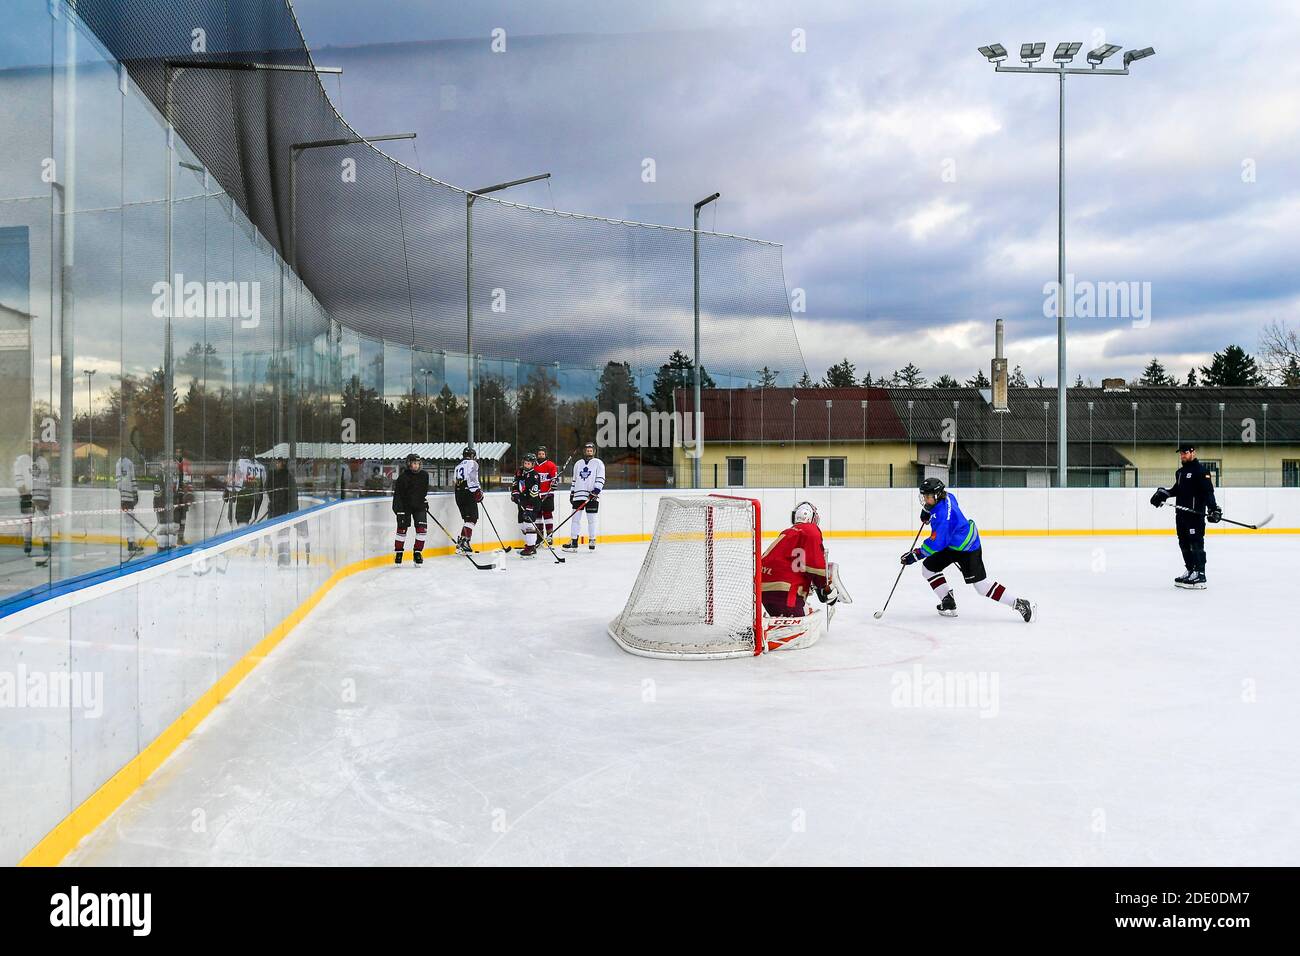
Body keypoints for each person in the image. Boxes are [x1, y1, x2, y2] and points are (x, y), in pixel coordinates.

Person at [902, 477, 1036, 622]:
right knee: (928, 568)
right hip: (952, 543)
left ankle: (1020, 603)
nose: (925, 499)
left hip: (967, 547)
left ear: (937, 495)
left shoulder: (942, 518)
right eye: (924, 496)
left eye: (928, 496)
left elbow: (936, 544)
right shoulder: (947, 496)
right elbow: (947, 512)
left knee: (981, 587)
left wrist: (915, 555)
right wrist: (928, 511)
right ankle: (948, 601)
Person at [1150, 443, 1221, 589]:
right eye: (1181, 453)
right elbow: (1177, 489)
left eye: (1185, 453)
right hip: (1181, 515)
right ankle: (1190, 570)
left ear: (1193, 453)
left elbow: (1208, 492)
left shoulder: (1201, 471)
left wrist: (1213, 509)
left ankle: (1200, 574)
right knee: (1183, 543)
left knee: (1196, 543)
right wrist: (1164, 494)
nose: (1183, 455)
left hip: (1194, 515)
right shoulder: (1180, 472)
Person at [760, 501, 839, 617]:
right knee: (790, 625)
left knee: (779, 617)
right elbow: (815, 564)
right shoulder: (812, 530)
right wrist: (824, 588)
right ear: (811, 517)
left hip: (763, 589)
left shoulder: (787, 533)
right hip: (787, 591)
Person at [13, 446, 52, 567]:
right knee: (27, 521)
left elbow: (46, 479)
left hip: (40, 495)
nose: (36, 447)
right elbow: (18, 479)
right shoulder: (21, 460)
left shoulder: (42, 461)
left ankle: (45, 545)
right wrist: (24, 492)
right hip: (28, 494)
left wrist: (47, 495)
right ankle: (28, 545)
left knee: (43, 520)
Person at [563, 441, 605, 551]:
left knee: (592, 519)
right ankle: (574, 541)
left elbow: (601, 478)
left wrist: (596, 490)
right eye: (587, 450)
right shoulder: (578, 463)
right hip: (578, 495)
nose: (589, 452)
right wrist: (572, 492)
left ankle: (592, 540)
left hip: (592, 496)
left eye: (591, 450)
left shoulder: (598, 463)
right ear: (584, 451)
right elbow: (574, 479)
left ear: (594, 451)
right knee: (575, 519)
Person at [392, 452, 429, 565]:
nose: (416, 465)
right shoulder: (402, 478)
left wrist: (423, 500)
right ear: (409, 464)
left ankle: (417, 553)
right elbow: (397, 496)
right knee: (402, 530)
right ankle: (399, 553)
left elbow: (423, 492)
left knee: (422, 530)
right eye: (414, 463)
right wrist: (398, 510)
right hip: (405, 507)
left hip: (419, 506)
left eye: (418, 463)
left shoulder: (424, 475)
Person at [266, 457, 299, 567]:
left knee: (283, 535)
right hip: (275, 510)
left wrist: (293, 512)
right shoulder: (273, 476)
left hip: (284, 512)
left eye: (279, 462)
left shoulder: (288, 477)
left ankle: (283, 558)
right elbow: (268, 490)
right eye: (276, 462)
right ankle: (280, 556)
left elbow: (293, 496)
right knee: (275, 535)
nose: (277, 464)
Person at [512, 453, 543, 558]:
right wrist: (515, 494)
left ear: (533, 464)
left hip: (533, 503)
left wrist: (530, 506)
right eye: (525, 463)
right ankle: (530, 545)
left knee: (529, 524)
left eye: (528, 463)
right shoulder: (519, 472)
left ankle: (531, 547)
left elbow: (534, 493)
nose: (526, 465)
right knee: (522, 524)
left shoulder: (535, 475)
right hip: (522, 502)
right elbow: (515, 484)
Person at [453, 446, 483, 554]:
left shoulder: (457, 466)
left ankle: (462, 543)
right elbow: (473, 478)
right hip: (468, 492)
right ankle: (464, 542)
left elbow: (455, 481)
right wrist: (477, 492)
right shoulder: (473, 463)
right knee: (472, 519)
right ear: (472, 456)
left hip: (458, 493)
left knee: (467, 520)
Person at [115, 452, 145, 556]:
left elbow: (132, 479)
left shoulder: (128, 463)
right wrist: (125, 497)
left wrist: (135, 494)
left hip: (129, 498)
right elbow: (119, 483)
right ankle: (131, 545)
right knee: (129, 522)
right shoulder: (119, 464)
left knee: (130, 522)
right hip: (126, 499)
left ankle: (131, 543)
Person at [533, 445, 558, 545]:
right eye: (539, 454)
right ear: (536, 455)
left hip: (548, 494)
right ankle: (539, 537)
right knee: (537, 516)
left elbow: (554, 478)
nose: (541, 455)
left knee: (547, 514)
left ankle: (549, 536)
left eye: (543, 454)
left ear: (546, 454)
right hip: (536, 495)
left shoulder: (551, 465)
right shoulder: (533, 465)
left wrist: (554, 483)